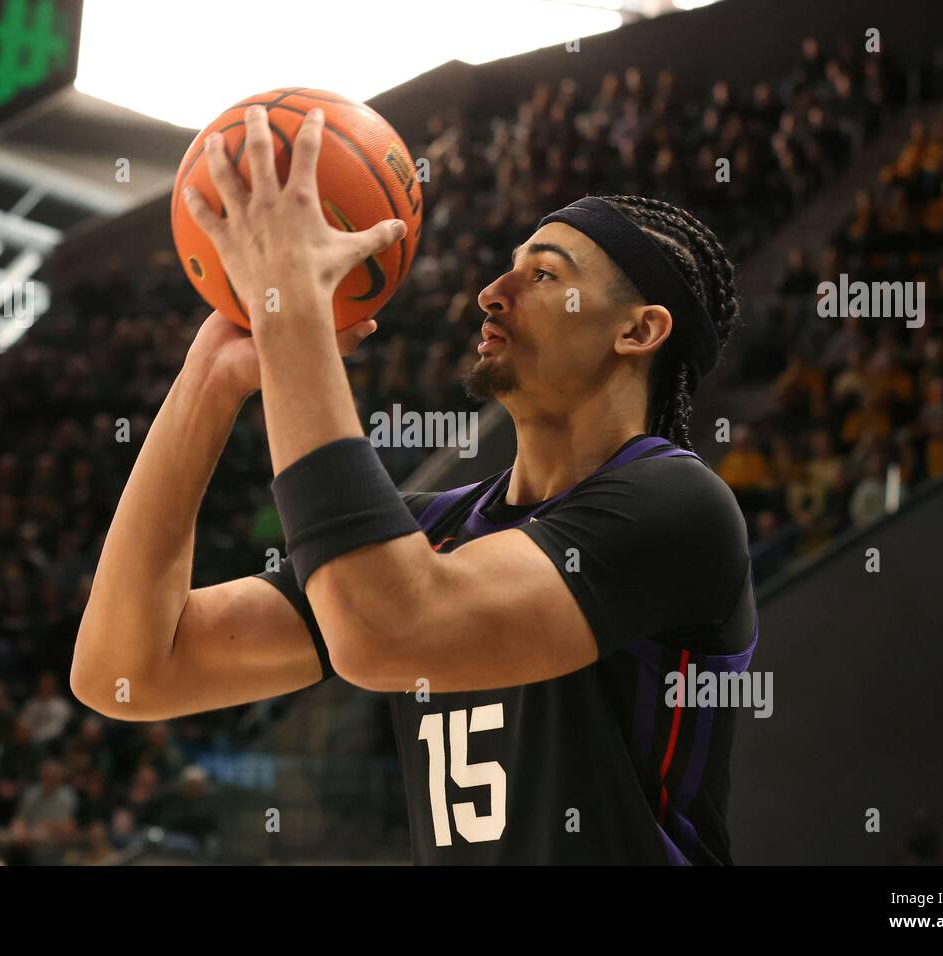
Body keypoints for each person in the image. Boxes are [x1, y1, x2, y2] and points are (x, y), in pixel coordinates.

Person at [72, 106, 755, 864]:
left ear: (638, 331)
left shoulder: (678, 508)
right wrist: (211, 378)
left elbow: (389, 630)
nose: (492, 292)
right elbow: (128, 671)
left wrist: (293, 310)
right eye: (508, 265)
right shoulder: (431, 535)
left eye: (543, 274)